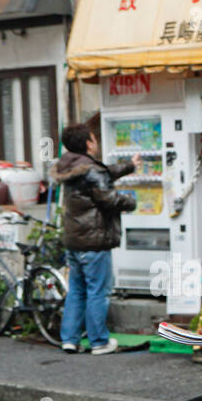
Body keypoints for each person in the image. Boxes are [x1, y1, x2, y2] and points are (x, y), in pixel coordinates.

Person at [51, 122, 139, 354]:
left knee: (77, 291)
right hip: (94, 240)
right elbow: (108, 198)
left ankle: (69, 339)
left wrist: (129, 166)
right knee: (97, 291)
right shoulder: (91, 170)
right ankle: (99, 341)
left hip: (74, 239)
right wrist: (131, 201)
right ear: (89, 143)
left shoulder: (69, 166)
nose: (96, 142)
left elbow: (103, 172)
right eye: (94, 138)